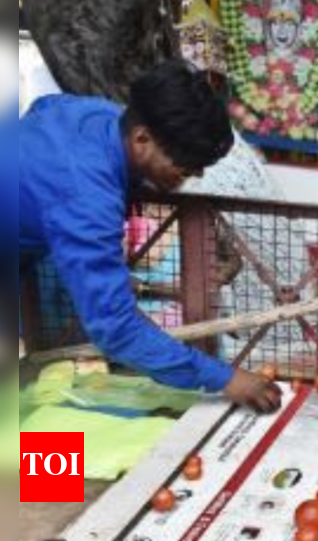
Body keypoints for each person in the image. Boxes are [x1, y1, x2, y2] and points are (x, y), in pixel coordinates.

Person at [18, 60, 283, 413]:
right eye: (185, 166)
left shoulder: (99, 115)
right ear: (142, 138)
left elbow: (43, 109)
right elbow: (115, 328)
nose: (193, 176)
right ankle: (41, 466)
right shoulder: (86, 195)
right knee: (41, 427)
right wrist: (226, 379)